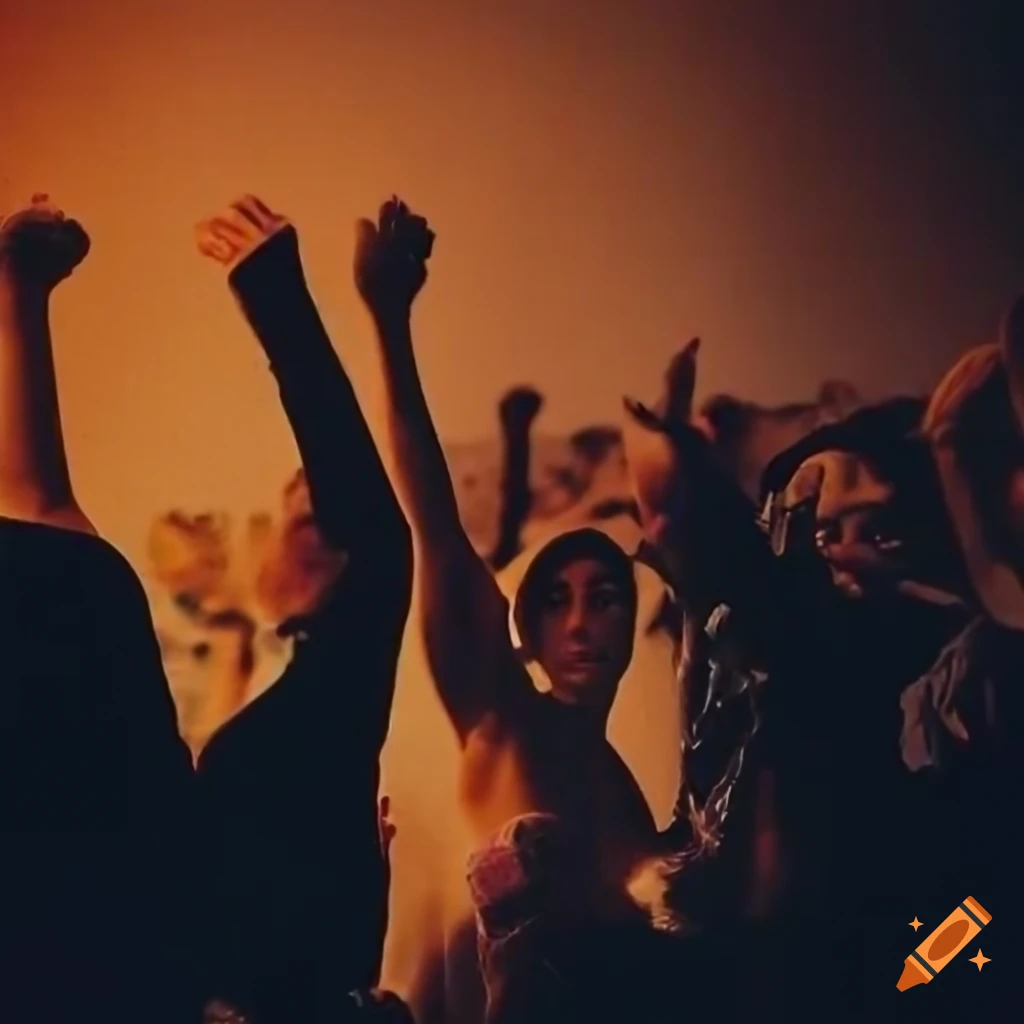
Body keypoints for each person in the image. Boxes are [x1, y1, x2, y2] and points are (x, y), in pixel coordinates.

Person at [359, 196, 700, 1022]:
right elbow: (432, 518)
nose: (581, 621)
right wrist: (388, 320)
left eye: (604, 598)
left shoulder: (625, 796)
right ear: (528, 630)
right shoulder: (503, 717)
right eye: (555, 601)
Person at [193, 195, 414, 1022]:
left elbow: (382, 539)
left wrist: (279, 302)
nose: (319, 537)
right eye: (301, 518)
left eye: (331, 519)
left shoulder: (336, 695)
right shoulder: (262, 696)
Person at [0, 197, 201, 1022]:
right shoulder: (79, 583)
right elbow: (41, 501)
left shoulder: (73, 581)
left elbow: (41, 503)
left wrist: (24, 294)